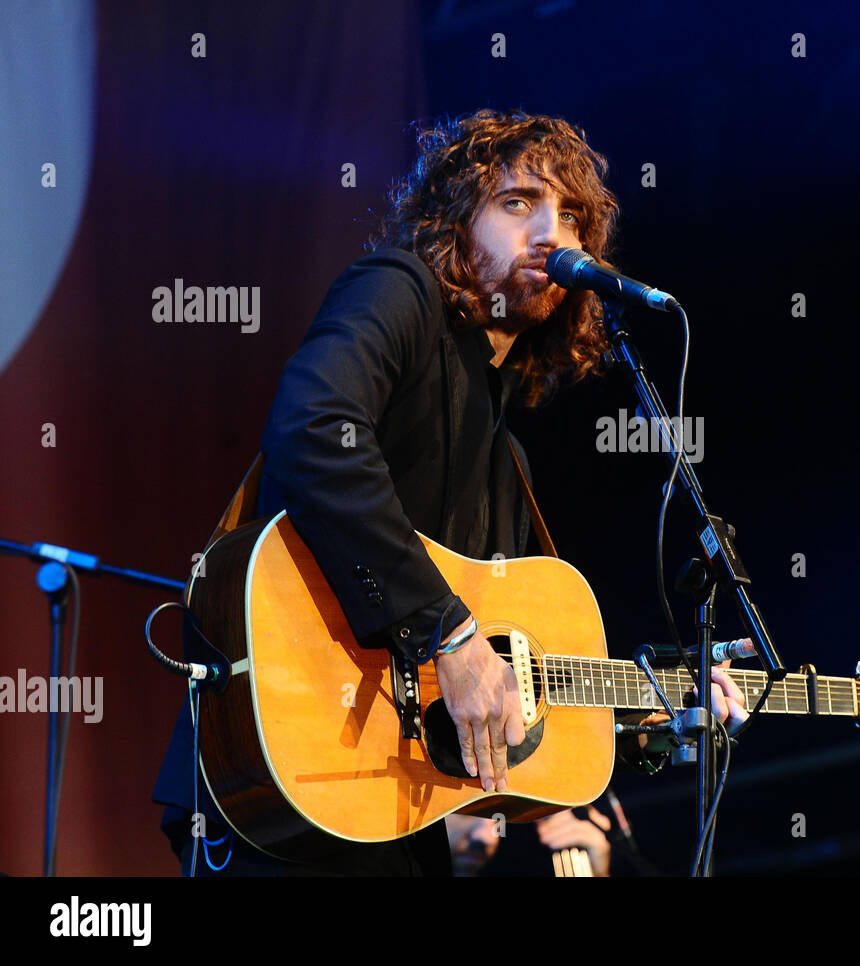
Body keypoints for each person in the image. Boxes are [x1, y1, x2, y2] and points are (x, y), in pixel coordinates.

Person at [150, 107, 746, 876]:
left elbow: (524, 701)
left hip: (394, 803)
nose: (552, 234)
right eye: (518, 202)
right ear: (454, 219)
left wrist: (663, 716)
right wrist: (449, 634)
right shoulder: (397, 290)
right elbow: (314, 427)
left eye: (571, 217)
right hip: (283, 761)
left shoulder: (508, 460)